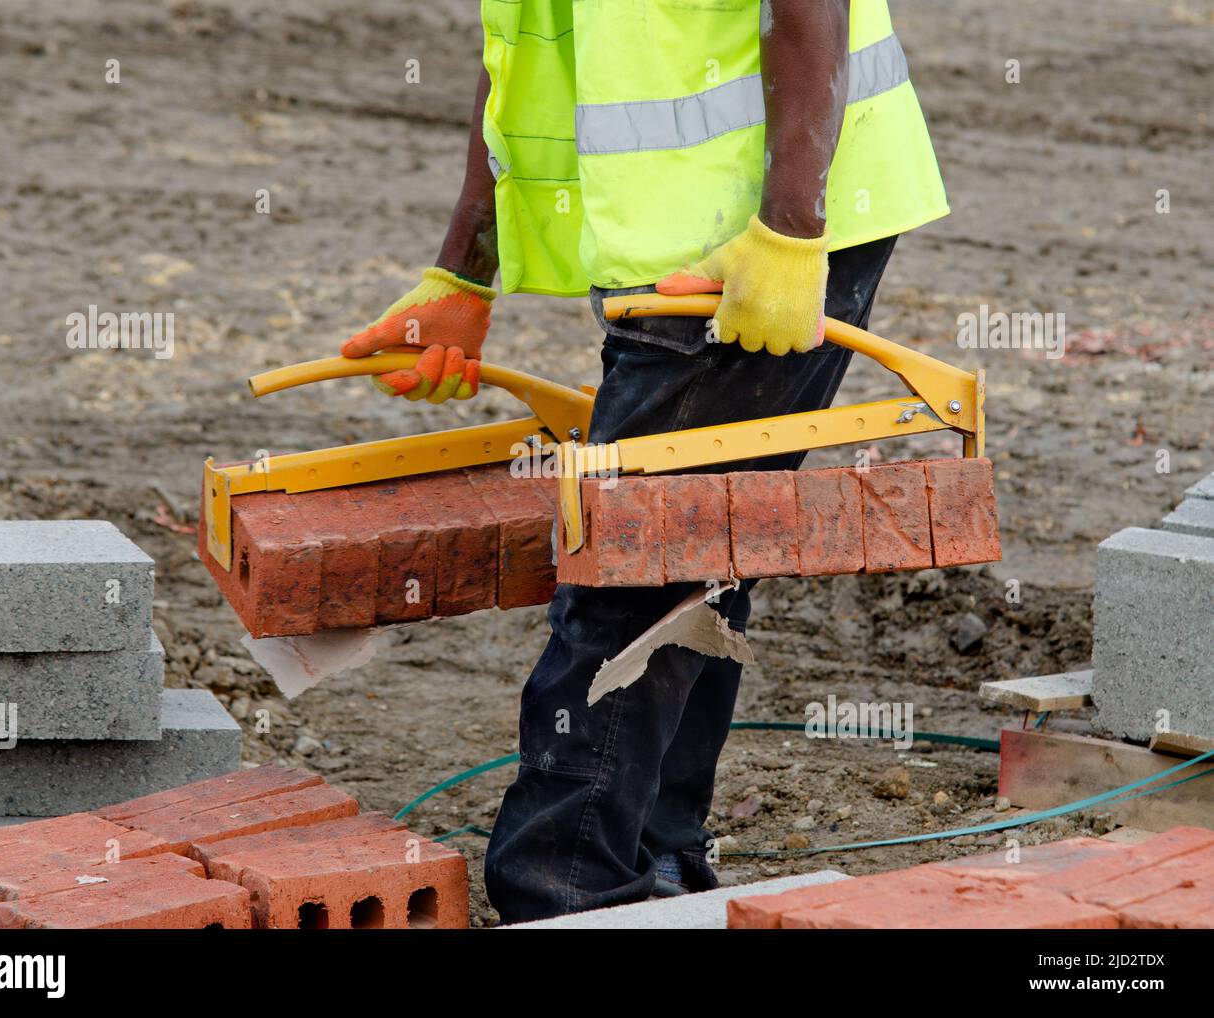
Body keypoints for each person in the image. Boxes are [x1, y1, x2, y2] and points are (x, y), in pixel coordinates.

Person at [341, 0, 948, 923]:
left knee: (635, 559)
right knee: (697, 542)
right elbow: (525, 50)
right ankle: (657, 861)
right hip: (686, 235)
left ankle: (569, 889)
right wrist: (463, 272)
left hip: (755, 233)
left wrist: (789, 229)